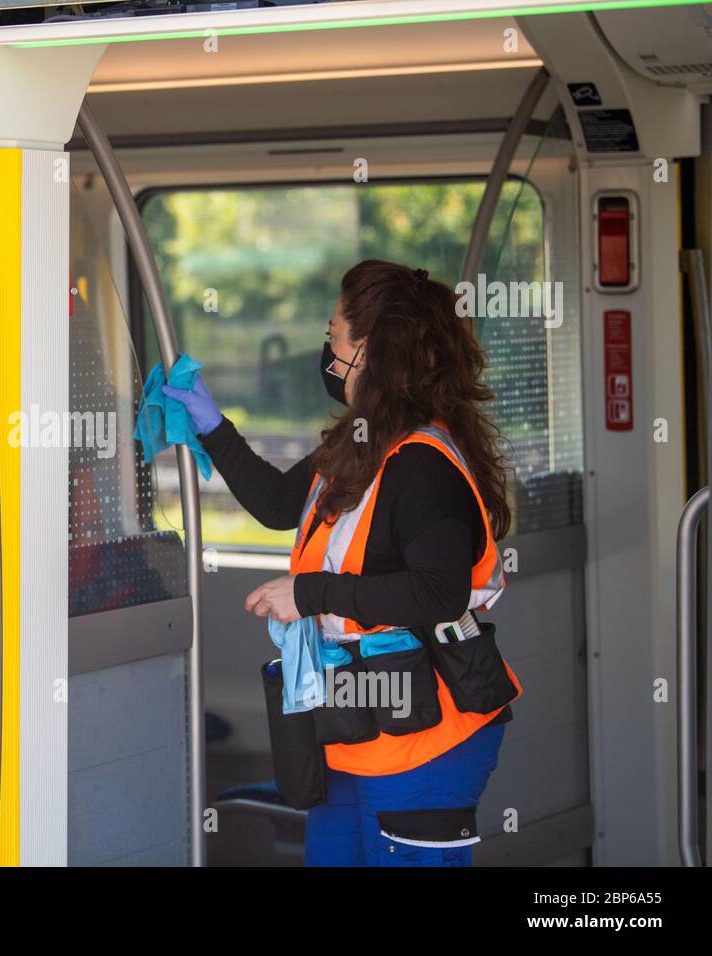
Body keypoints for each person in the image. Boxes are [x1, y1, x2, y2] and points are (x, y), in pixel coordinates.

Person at [163, 259, 519, 867]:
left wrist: (309, 594)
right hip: (359, 724)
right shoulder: (360, 444)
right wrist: (211, 424)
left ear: (371, 353)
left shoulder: (421, 465)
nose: (325, 349)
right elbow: (280, 503)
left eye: (333, 335)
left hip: (427, 738)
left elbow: (437, 593)